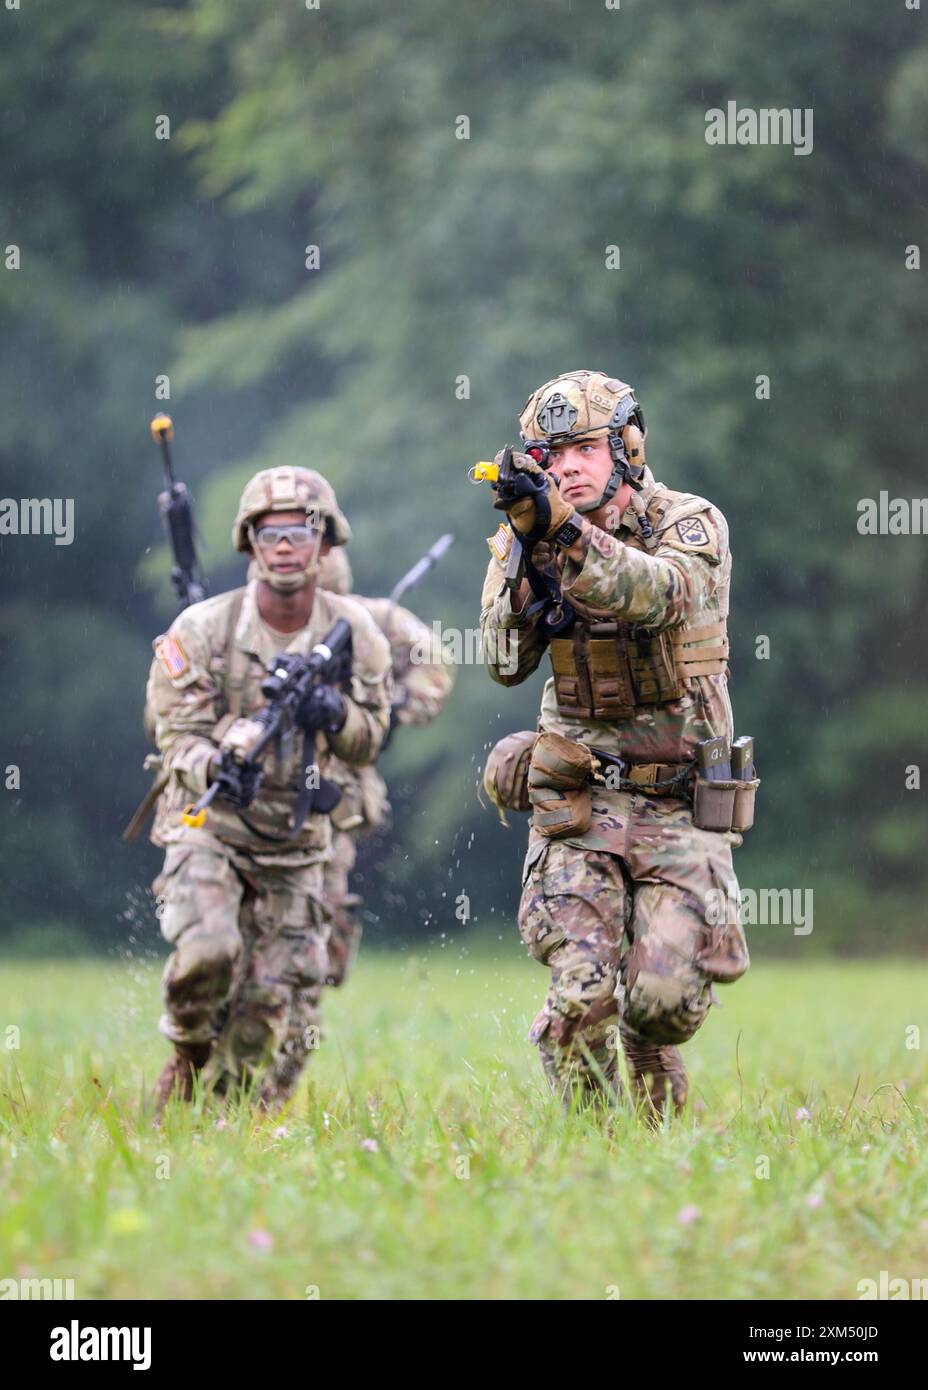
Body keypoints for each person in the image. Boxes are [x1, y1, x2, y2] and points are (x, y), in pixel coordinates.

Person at [480, 370, 751, 1120]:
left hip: (680, 804)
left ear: (628, 447)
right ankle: (592, 1150)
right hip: (580, 799)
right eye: (548, 453)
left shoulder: (688, 523)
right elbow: (504, 664)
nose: (564, 466)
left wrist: (565, 533)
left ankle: (648, 1044)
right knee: (581, 995)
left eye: (582, 448)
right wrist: (528, 568)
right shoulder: (527, 537)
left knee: (663, 1003)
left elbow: (663, 597)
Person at [146, 466, 392, 1118]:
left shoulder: (358, 634)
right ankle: (187, 1055)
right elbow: (176, 737)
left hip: (297, 846)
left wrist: (331, 714)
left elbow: (370, 739)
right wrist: (217, 765)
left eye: (301, 531)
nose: (286, 545)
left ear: (325, 542)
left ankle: (217, 1139)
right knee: (209, 953)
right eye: (271, 532)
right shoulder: (202, 630)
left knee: (263, 1015)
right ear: (250, 542)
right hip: (211, 827)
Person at [268, 544, 455, 1103]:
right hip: (267, 796)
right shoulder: (252, 624)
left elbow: (434, 670)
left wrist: (381, 709)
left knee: (311, 937)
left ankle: (275, 1085)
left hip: (335, 801)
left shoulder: (372, 621)